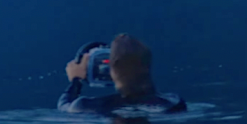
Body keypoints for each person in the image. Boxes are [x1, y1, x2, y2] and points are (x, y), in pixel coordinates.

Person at [58, 34, 186, 115]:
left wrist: (76, 80)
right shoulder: (175, 102)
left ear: (112, 69)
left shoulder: (87, 106)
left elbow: (63, 106)